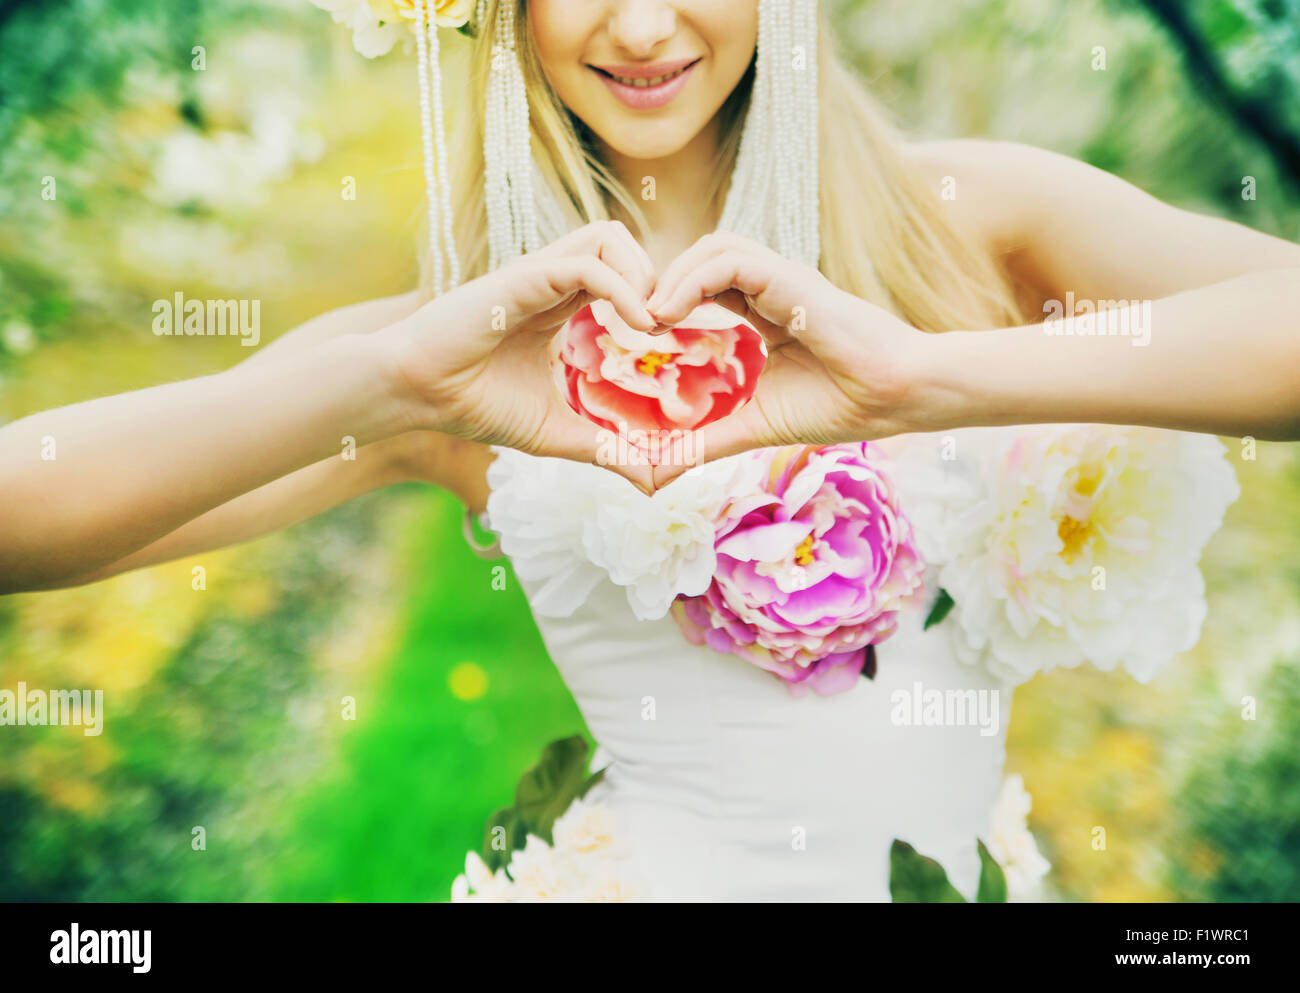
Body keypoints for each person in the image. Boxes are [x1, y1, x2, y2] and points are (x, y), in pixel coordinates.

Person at [1, 0, 1297, 898]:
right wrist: (385, 379)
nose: (638, 25)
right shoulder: (461, 345)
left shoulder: (971, 223)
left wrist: (925, 377)